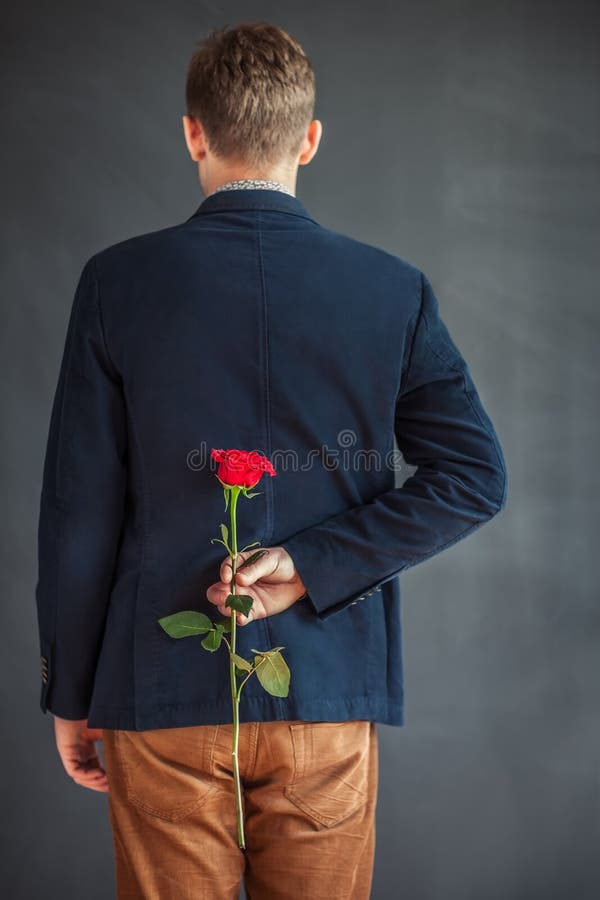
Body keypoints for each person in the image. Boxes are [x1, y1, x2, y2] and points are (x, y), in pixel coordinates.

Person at [35, 20, 508, 900]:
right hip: (323, 696)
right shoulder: (391, 288)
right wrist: (311, 564)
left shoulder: (115, 282)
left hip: (156, 694)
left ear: (193, 131)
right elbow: (474, 477)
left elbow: (80, 506)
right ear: (311, 139)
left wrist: (70, 687)